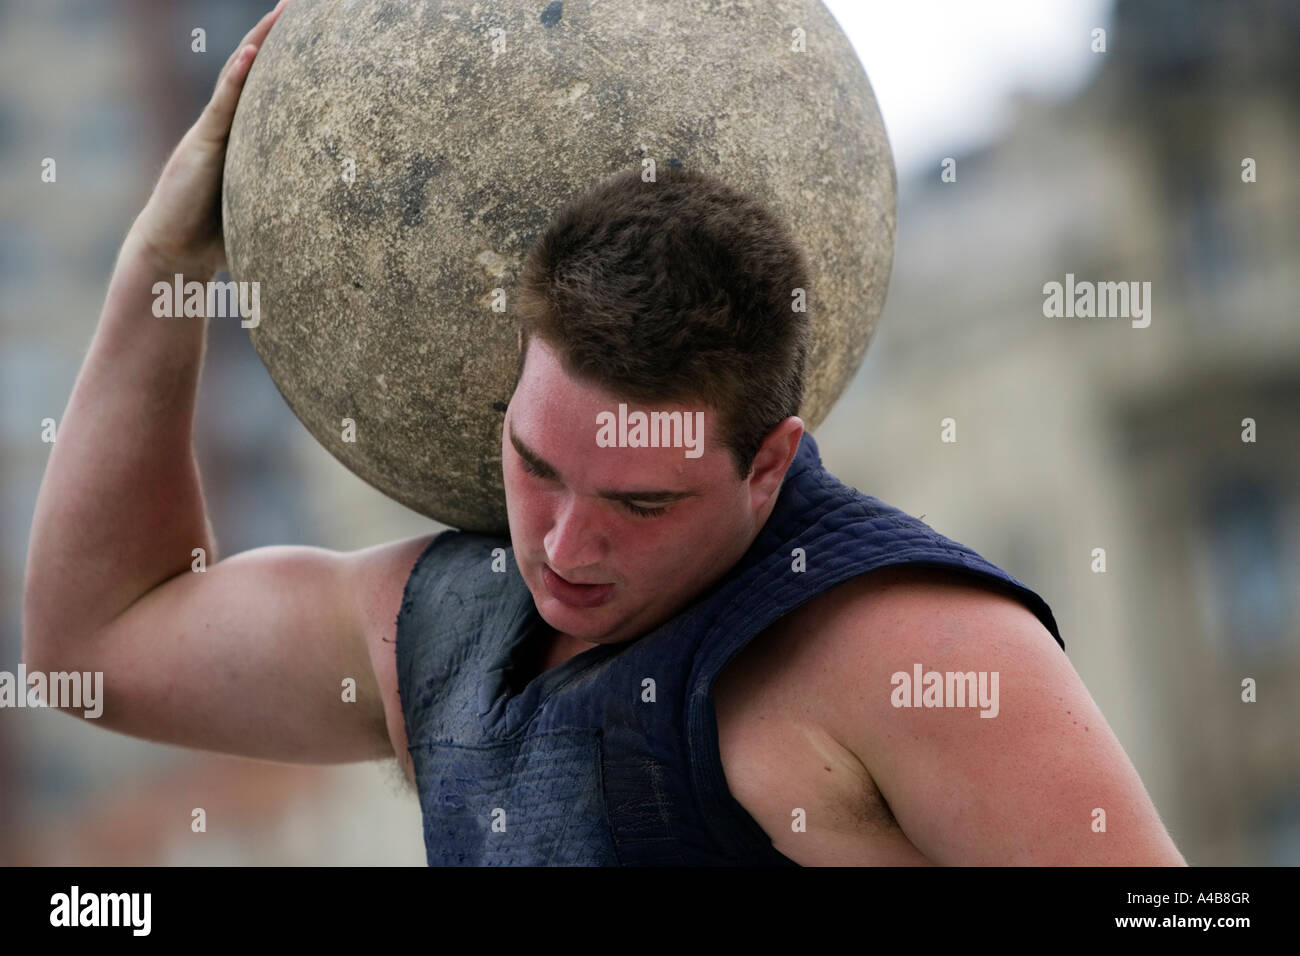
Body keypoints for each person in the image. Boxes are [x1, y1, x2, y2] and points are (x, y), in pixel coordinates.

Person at [22, 0, 1186, 866]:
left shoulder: (910, 648)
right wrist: (161, 264)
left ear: (766, 462)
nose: (563, 546)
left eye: (641, 502)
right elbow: (98, 643)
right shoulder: (447, 628)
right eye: (535, 464)